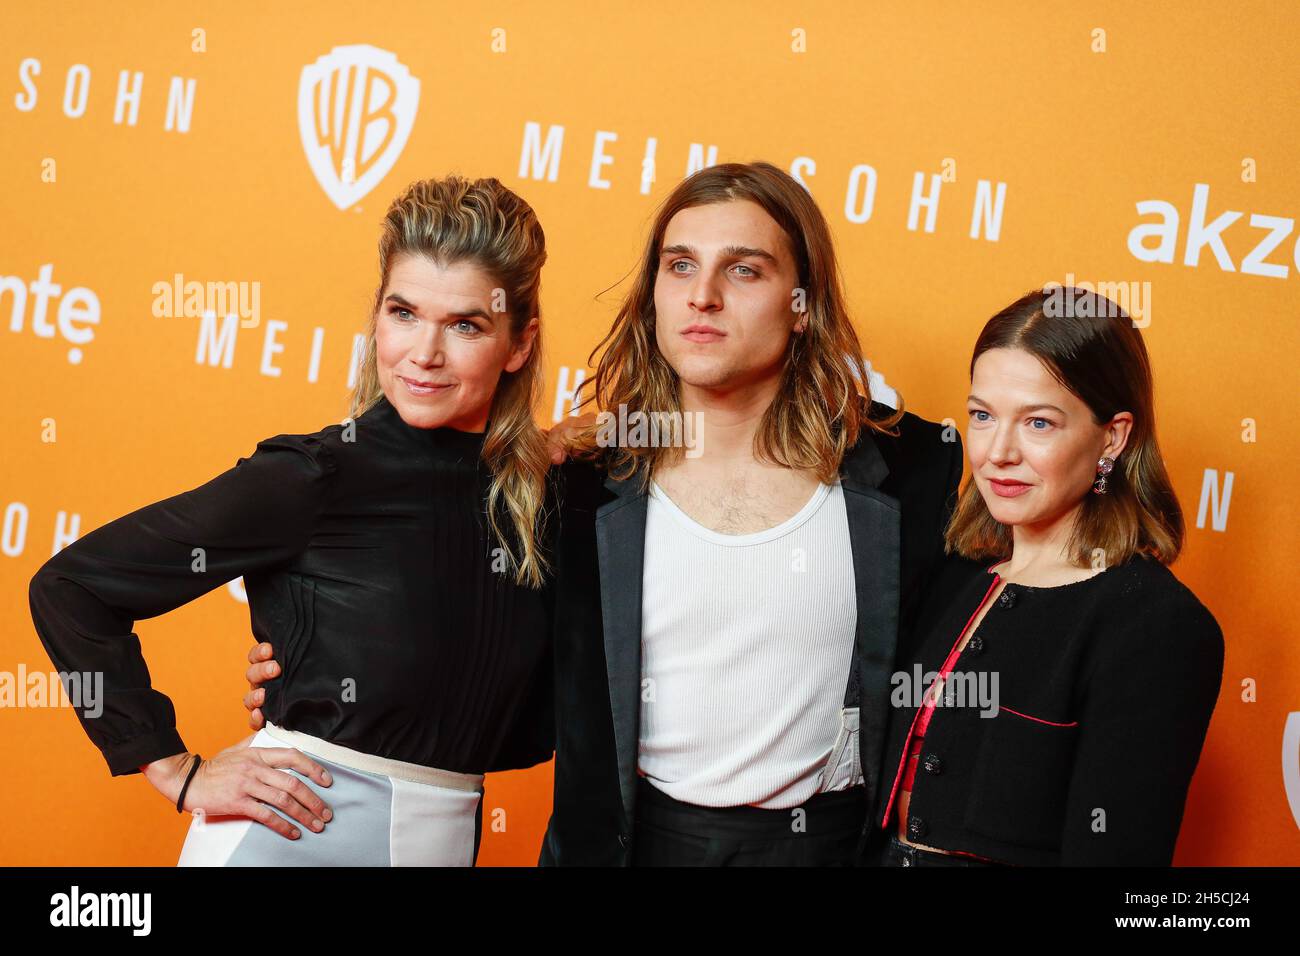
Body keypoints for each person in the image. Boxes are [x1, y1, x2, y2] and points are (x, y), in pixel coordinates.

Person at [246, 161, 962, 865]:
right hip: (624, 845)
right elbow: (500, 685)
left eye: (744, 270)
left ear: (802, 304)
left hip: (827, 846)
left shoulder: (913, 472)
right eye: (680, 267)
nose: (703, 296)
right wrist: (328, 680)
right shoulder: (580, 483)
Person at [28, 175, 557, 866]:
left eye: (465, 325)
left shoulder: (540, 499)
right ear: (376, 318)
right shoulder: (315, 474)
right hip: (286, 842)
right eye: (403, 313)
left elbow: (526, 718)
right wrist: (173, 768)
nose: (424, 353)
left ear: (519, 344)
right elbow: (72, 587)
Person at [870, 287, 1225, 867]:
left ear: (1112, 437)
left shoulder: (1157, 626)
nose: (998, 452)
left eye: (1038, 423)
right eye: (982, 416)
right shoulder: (953, 572)